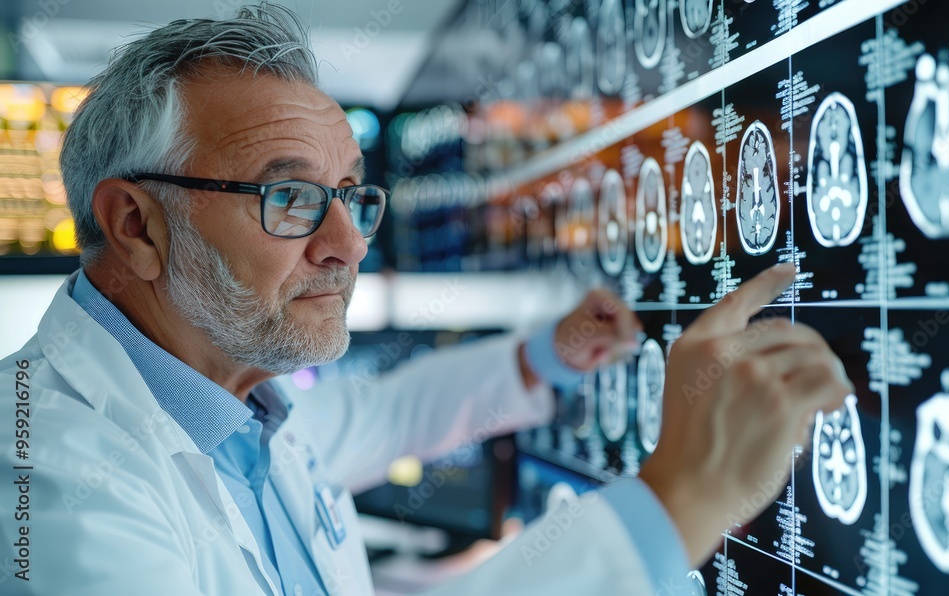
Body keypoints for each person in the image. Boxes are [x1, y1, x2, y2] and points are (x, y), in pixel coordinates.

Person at [0, 4, 851, 595]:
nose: (349, 244)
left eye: (350, 195)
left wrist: (543, 357)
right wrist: (675, 504)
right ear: (138, 226)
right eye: (289, 197)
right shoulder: (45, 476)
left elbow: (383, 418)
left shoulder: (232, 408)